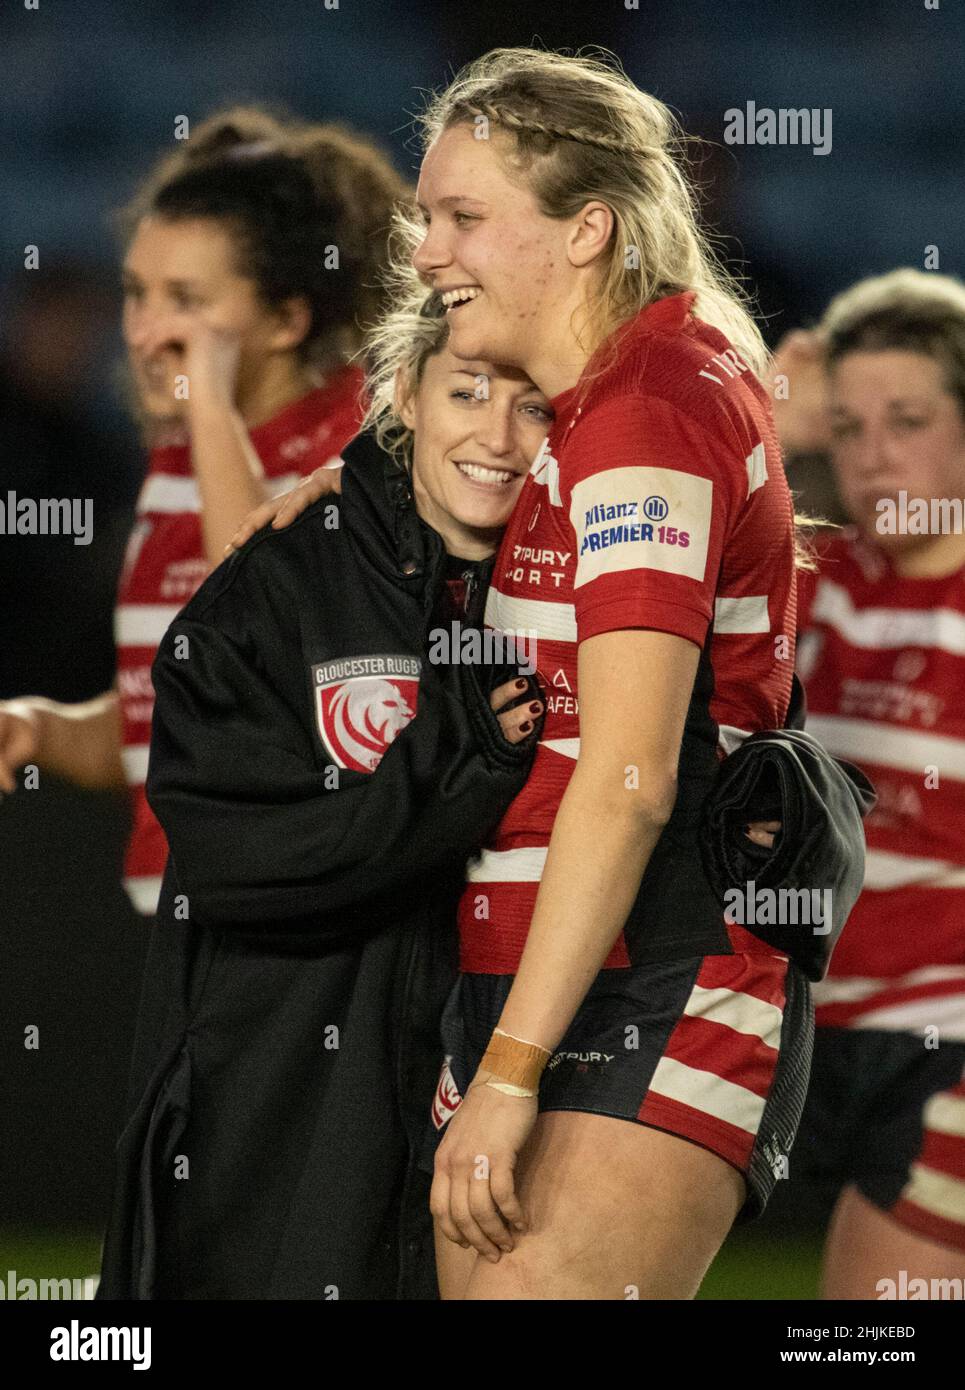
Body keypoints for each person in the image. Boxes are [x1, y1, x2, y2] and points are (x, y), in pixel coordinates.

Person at [234, 46, 818, 1301]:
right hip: (544, 974)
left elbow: (628, 779)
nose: (425, 252)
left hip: (648, 974)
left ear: (583, 232)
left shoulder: (646, 408)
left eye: (462, 217)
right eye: (425, 216)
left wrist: (507, 1072)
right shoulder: (611, 395)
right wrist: (372, 481)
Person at [95, 280, 555, 1299]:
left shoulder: (583, 591)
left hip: (498, 1105)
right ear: (404, 394)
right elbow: (237, 865)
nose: (498, 436)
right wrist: (457, 760)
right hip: (278, 1109)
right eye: (467, 392)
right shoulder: (277, 583)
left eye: (533, 405)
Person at [0, 104, 405, 921]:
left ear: (287, 319)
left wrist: (210, 409)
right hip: (178, 918)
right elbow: (162, 716)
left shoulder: (365, 438)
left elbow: (274, 648)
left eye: (185, 300)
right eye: (136, 294)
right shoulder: (178, 459)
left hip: (301, 920)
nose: (146, 333)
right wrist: (47, 729)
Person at [774, 269, 965, 1296]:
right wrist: (764, 418)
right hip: (788, 1029)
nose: (873, 455)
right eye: (846, 427)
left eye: (908, 420)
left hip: (942, 1048)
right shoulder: (810, 580)